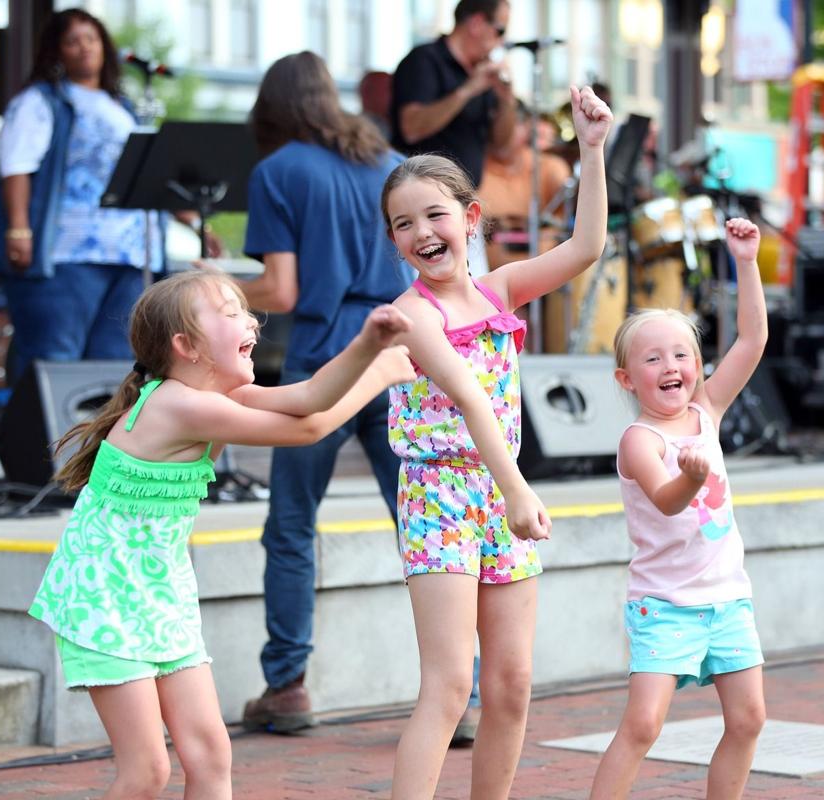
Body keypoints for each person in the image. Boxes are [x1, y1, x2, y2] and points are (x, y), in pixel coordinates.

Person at [27, 269, 415, 800]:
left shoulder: (217, 398)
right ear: (186, 347)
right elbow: (307, 429)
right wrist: (380, 367)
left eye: (244, 310)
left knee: (211, 757)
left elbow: (308, 398)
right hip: (103, 597)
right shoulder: (180, 404)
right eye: (229, 313)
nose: (249, 319)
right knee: (146, 773)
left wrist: (370, 348)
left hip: (159, 594)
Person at [382, 84, 612, 799]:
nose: (421, 232)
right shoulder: (408, 314)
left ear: (470, 219)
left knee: (511, 685)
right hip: (439, 493)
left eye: (434, 215)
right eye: (402, 224)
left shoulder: (500, 291)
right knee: (450, 687)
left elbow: (586, 247)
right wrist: (518, 489)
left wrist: (592, 151)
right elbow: (471, 397)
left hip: (499, 492)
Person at [227, 51, 413, 735]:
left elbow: (280, 291)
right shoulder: (393, 162)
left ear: (271, 109)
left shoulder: (278, 171)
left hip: (323, 364)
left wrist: (212, 287)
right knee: (425, 524)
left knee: (292, 523)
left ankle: (287, 688)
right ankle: (465, 691)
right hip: (400, 355)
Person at [588, 218, 768, 800]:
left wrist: (745, 261)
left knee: (749, 720)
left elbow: (752, 341)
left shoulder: (707, 409)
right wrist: (690, 479)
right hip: (664, 605)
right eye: (653, 360)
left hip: (727, 598)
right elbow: (667, 502)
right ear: (626, 378)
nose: (671, 367)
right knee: (643, 725)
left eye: (682, 355)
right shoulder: (641, 440)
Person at [0, 9, 214, 391]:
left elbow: (145, 173)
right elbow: (16, 166)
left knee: (115, 365)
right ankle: (40, 449)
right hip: (67, 255)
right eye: (73, 40)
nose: (84, 47)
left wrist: (194, 220)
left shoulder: (122, 106)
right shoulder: (43, 102)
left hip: (130, 255)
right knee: (55, 360)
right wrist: (19, 228)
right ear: (56, 51)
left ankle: (97, 450)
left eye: (92, 39)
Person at [390, 0, 518, 278]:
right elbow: (412, 127)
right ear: (476, 24)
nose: (502, 40)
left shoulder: (482, 73)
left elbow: (503, 146)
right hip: (420, 206)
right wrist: (468, 90)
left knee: (472, 297)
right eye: (499, 30)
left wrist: (506, 100)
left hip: (463, 204)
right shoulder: (424, 61)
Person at [478, 100, 573, 271]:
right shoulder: (471, 171)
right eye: (493, 124)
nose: (499, 133)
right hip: (486, 285)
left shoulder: (549, 167)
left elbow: (567, 211)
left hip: (545, 281)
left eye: (508, 125)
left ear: (527, 127)